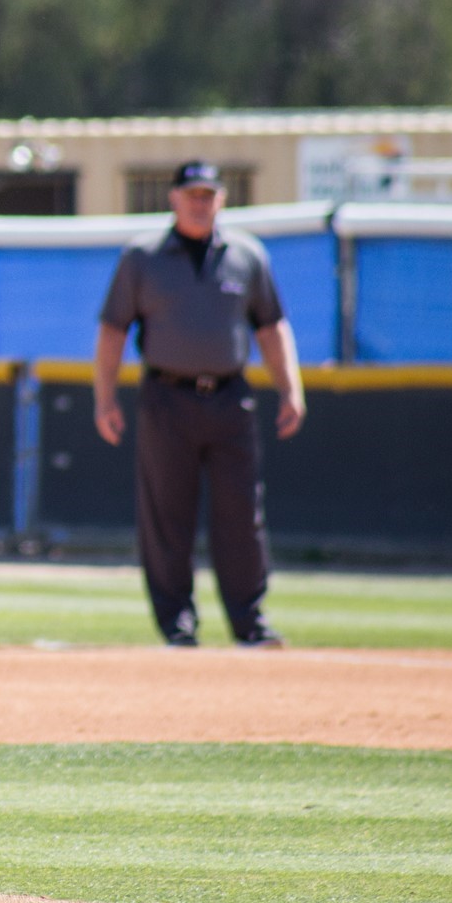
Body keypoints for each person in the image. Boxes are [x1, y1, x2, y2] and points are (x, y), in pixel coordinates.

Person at [92, 160, 304, 649]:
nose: (200, 203)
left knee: (242, 514)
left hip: (230, 397)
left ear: (222, 200)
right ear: (174, 199)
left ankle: (250, 623)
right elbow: (113, 329)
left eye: (209, 194)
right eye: (192, 194)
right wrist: (104, 397)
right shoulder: (142, 257)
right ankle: (177, 625)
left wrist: (290, 388)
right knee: (168, 515)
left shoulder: (246, 255)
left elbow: (271, 326)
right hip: (167, 397)